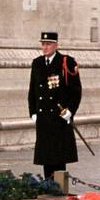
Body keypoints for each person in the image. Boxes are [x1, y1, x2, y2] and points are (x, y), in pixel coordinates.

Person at [28, 31, 81, 181]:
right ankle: (48, 185)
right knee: (46, 156)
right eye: (43, 44)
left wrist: (70, 110)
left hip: (59, 116)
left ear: (56, 45)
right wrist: (32, 111)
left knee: (58, 155)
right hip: (43, 116)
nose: (44, 47)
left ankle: (58, 186)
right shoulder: (37, 63)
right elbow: (32, 90)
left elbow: (75, 91)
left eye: (48, 44)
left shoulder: (66, 62)